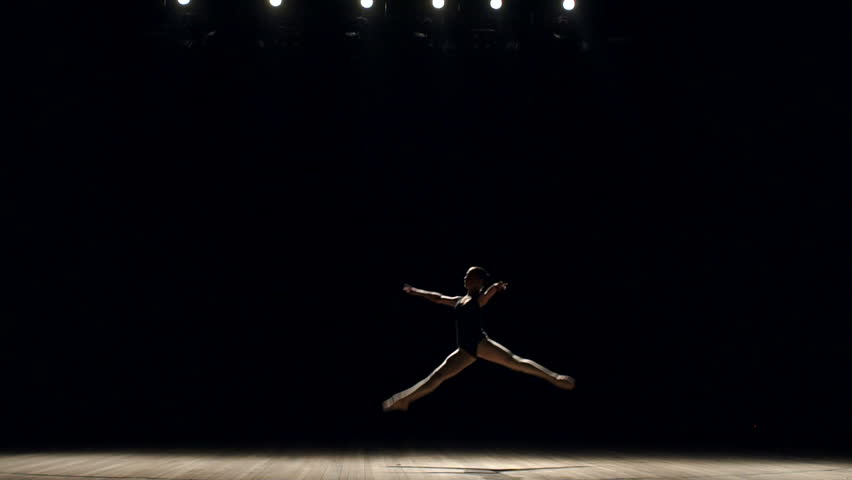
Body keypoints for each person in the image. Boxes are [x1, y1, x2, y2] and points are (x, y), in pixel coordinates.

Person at [382, 266, 575, 412]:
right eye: (466, 275)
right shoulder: (459, 300)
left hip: (480, 343)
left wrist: (495, 288)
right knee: (437, 376)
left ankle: (554, 377)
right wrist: (416, 292)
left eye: (469, 276)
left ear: (478, 281)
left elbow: (488, 294)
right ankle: (404, 399)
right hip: (464, 350)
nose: (465, 277)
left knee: (515, 362)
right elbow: (438, 297)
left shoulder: (478, 299)